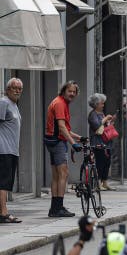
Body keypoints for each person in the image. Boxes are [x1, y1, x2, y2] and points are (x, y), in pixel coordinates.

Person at [45, 81, 83, 216]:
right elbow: (61, 127)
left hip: (52, 140)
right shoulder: (60, 103)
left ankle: (54, 208)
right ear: (63, 91)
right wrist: (74, 143)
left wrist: (79, 138)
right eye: (70, 91)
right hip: (57, 142)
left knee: (56, 175)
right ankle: (59, 207)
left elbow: (64, 128)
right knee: (63, 173)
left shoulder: (59, 102)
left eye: (74, 92)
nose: (72, 94)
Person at [0, 78, 22, 223]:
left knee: (7, 183)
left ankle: (3, 211)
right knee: (4, 182)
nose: (17, 91)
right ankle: (3, 213)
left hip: (12, 149)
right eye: (14, 88)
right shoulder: (3, 102)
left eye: (19, 88)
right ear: (8, 89)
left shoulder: (14, 105)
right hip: (3, 149)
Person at [87, 93, 117, 191]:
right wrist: (105, 119)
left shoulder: (101, 114)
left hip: (106, 141)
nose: (103, 105)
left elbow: (105, 126)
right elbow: (96, 125)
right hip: (97, 142)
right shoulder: (93, 114)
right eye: (101, 103)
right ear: (96, 104)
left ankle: (105, 182)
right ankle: (98, 183)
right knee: (100, 162)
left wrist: (111, 121)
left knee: (106, 162)